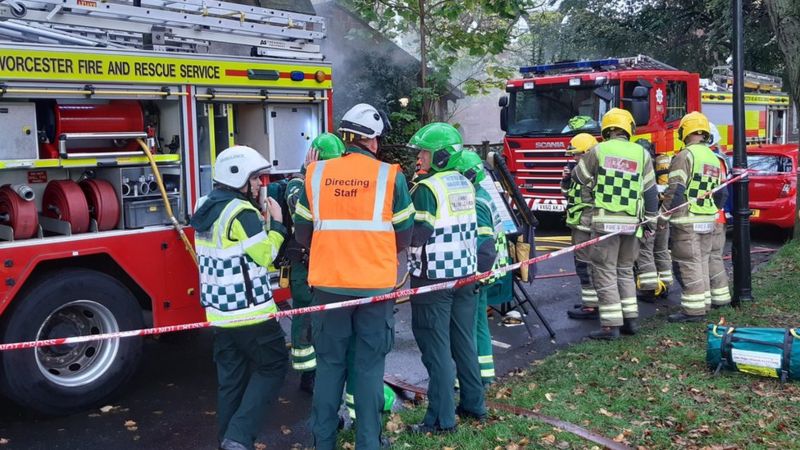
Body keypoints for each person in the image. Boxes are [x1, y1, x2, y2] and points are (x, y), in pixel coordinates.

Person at [293, 103, 415, 450]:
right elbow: (405, 236)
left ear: (345, 138)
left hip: (328, 287)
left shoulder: (315, 175)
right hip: (374, 289)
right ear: (373, 140)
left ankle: (323, 442)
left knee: (329, 367)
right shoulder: (391, 176)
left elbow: (302, 233)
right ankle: (368, 442)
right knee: (369, 368)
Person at [191, 145, 289, 450]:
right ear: (238, 178)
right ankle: (239, 436)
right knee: (273, 365)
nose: (259, 184)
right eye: (255, 178)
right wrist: (277, 224)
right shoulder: (242, 212)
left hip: (219, 313)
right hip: (251, 313)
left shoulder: (204, 205)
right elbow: (266, 256)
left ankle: (228, 441)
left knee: (231, 380)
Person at [407, 122, 487, 434]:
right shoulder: (465, 184)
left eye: (424, 152)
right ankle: (473, 404)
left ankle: (441, 420)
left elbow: (417, 235)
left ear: (441, 155)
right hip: (465, 276)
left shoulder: (427, 189)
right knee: (463, 342)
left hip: (434, 280)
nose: (420, 158)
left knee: (436, 349)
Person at [572, 108, 659, 340]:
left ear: (607, 129)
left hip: (605, 223)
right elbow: (650, 193)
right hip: (632, 223)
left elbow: (578, 177)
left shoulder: (599, 150)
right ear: (628, 128)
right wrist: (650, 221)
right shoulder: (642, 153)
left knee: (605, 271)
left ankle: (610, 327)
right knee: (625, 270)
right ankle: (630, 320)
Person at [284, 133, 346, 393]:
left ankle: (325, 368)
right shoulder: (297, 185)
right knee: (305, 319)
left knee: (327, 320)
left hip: (327, 262)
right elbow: (304, 211)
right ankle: (308, 375)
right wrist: (312, 175)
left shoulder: (331, 184)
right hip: (304, 266)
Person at [661, 112, 726, 322]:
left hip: (687, 221)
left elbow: (676, 191)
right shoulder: (713, 157)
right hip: (708, 219)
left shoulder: (685, 156)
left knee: (689, 264)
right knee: (702, 262)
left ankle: (693, 311)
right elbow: (721, 193)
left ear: (685, 132)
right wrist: (711, 209)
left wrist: (663, 216)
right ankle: (703, 304)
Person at [456, 150, 508, 386]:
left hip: (480, 272)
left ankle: (468, 378)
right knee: (479, 324)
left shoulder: (475, 202)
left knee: (468, 326)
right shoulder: (483, 194)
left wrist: (475, 278)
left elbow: (484, 246)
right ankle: (485, 374)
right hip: (489, 271)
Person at [561, 133, 599, 320]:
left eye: (577, 154)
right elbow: (568, 194)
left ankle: (591, 306)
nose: (574, 158)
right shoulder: (578, 171)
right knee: (582, 264)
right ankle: (590, 301)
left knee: (586, 266)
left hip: (587, 225)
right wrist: (566, 179)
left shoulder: (594, 173)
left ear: (587, 153)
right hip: (578, 224)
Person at [634, 139, 672, 302]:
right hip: (663, 215)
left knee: (644, 251)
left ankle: (649, 290)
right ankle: (665, 286)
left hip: (648, 217)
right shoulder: (660, 166)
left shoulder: (641, 167)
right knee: (661, 250)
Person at [707, 122, 732, 308]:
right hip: (718, 217)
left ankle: (718, 299)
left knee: (711, 257)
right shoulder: (721, 158)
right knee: (713, 257)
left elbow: (720, 192)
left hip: (712, 217)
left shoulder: (712, 159)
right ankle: (718, 297)